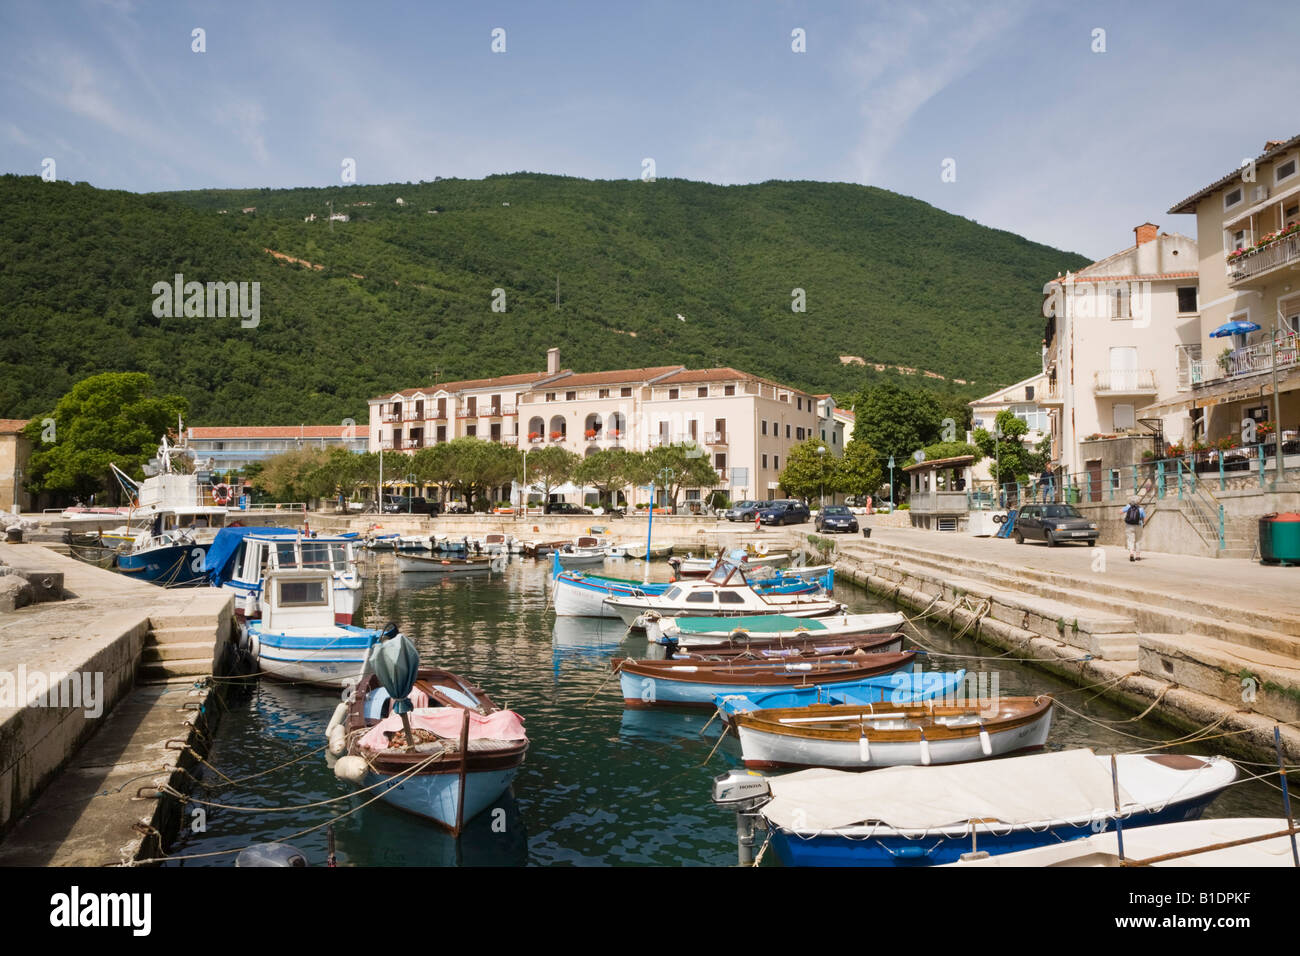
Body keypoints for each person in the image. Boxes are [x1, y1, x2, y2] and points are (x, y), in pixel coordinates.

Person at [1123, 495, 1146, 561]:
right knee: (1138, 540)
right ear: (1138, 502)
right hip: (1139, 525)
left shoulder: (1128, 507)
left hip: (1129, 525)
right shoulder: (1141, 509)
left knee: (1130, 540)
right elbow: (1144, 518)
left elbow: (1120, 512)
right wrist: (1143, 524)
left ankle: (1131, 554)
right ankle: (1138, 556)